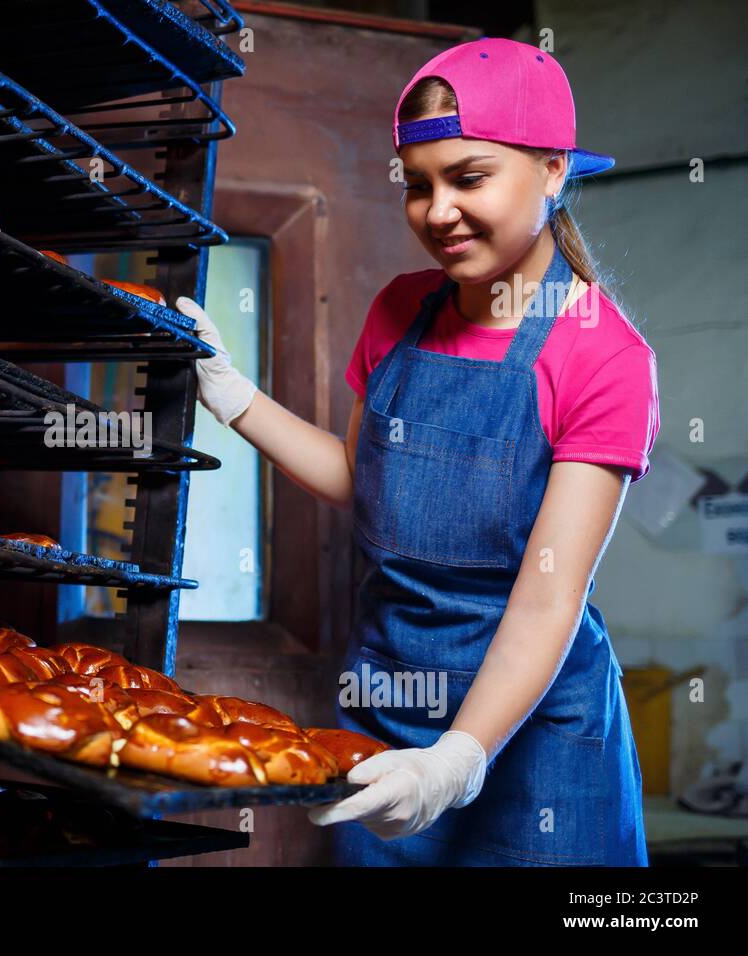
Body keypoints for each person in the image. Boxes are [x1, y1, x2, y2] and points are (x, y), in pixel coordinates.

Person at [177, 37, 659, 866]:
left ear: (552, 170)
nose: (437, 211)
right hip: (388, 705)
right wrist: (235, 398)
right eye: (418, 184)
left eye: (469, 178)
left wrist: (459, 759)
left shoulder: (602, 356)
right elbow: (362, 481)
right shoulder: (400, 309)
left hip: (536, 732)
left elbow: (549, 598)